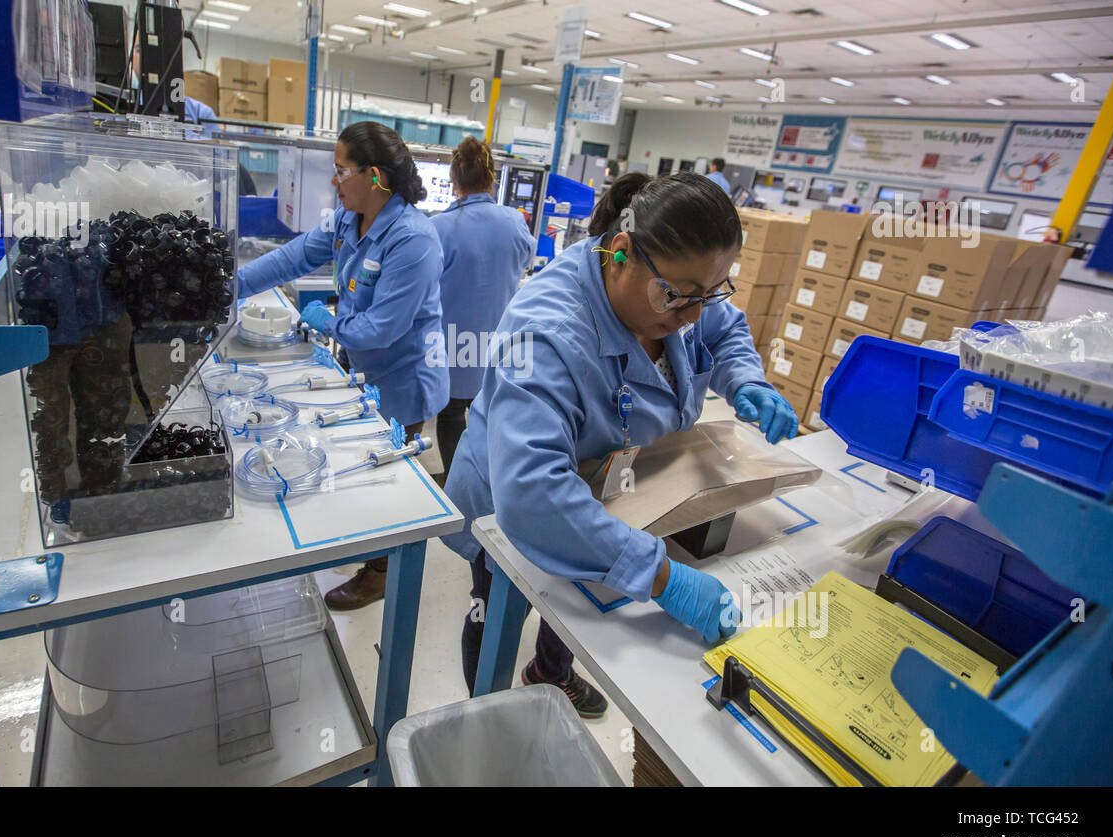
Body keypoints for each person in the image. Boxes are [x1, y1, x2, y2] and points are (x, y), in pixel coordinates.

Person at [442, 171, 798, 717]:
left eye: (712, 291)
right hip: (506, 498)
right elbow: (534, 494)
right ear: (621, 253)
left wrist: (746, 378)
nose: (694, 314)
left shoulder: (680, 289)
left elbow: (724, 329)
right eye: (680, 296)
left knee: (587, 581)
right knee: (495, 606)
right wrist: (662, 578)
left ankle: (550, 672)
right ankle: (486, 715)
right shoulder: (545, 334)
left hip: (609, 484)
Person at [237, 121, 449, 609]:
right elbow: (292, 258)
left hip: (403, 377)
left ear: (374, 176)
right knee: (359, 461)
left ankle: (380, 572)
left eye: (340, 171)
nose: (334, 181)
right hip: (361, 365)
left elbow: (384, 328)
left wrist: (328, 322)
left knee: (389, 478)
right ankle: (365, 543)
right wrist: (233, 284)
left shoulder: (413, 240)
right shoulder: (347, 221)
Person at [432, 137, 535, 479]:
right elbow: (526, 262)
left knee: (449, 416)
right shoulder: (514, 221)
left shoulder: (438, 227)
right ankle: (487, 484)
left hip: (451, 347)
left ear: (453, 181)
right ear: (493, 180)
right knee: (486, 415)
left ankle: (456, 480)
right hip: (498, 346)